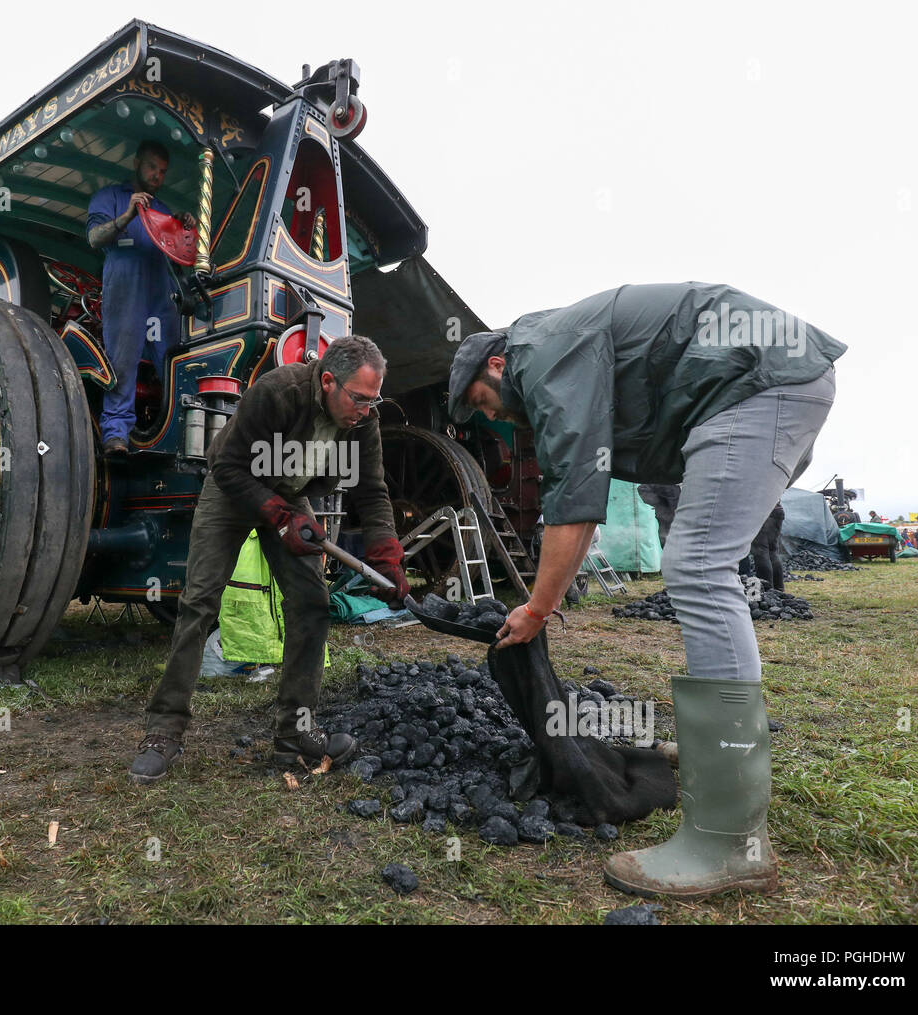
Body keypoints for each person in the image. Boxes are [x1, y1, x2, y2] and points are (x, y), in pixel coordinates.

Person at [447, 282, 846, 899]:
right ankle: (720, 752)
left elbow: (573, 498)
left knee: (698, 568)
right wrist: (542, 604)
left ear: (496, 364)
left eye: (485, 403)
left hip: (757, 384)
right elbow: (587, 498)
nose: (494, 417)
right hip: (755, 388)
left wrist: (537, 609)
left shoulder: (543, 354)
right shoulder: (556, 349)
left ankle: (730, 836)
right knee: (699, 563)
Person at [129, 336, 408, 784]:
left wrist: (385, 553)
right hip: (234, 488)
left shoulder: (362, 420)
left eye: (374, 401)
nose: (365, 410)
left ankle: (294, 735)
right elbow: (229, 467)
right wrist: (278, 518)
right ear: (328, 382)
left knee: (312, 606)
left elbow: (372, 491)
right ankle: (165, 729)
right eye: (359, 399)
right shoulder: (278, 392)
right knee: (200, 602)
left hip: (290, 495)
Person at [86, 140, 196, 457]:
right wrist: (127, 215)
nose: (157, 176)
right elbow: (94, 238)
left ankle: (175, 429)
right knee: (123, 355)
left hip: (160, 288)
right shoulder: (111, 196)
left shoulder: (161, 209)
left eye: (162, 172)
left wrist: (182, 228)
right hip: (125, 280)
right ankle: (116, 433)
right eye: (151, 167)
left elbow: (181, 254)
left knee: (172, 357)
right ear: (136, 163)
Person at [750, 503, 785, 591]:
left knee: (760, 551)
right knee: (772, 551)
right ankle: (779, 589)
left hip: (762, 512)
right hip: (778, 510)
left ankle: (767, 590)